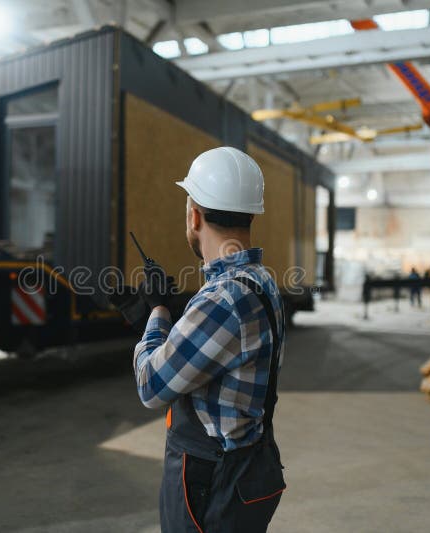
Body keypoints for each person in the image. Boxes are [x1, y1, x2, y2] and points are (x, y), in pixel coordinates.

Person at [132, 147, 286, 533]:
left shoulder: (222, 301)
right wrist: (181, 312)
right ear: (250, 214)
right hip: (246, 467)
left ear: (194, 215)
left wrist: (157, 312)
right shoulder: (261, 280)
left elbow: (151, 386)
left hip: (209, 483)